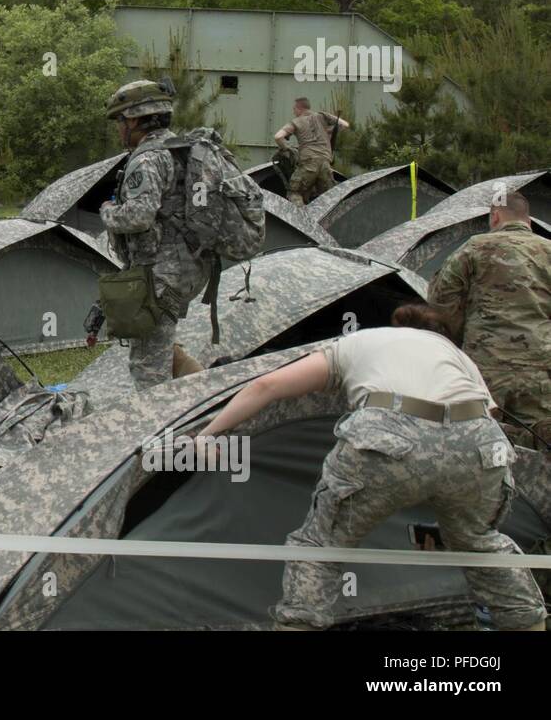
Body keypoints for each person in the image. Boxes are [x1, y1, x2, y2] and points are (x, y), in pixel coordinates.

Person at [196, 303, 547, 631]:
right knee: (480, 543)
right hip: (480, 442)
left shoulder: (355, 341)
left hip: (387, 435)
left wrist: (209, 434)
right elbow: (491, 413)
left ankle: (297, 625)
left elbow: (266, 385)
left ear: (395, 325)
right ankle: (530, 625)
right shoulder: (453, 353)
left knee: (321, 547)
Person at [100, 80, 213, 390]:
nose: (119, 129)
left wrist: (108, 211)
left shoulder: (148, 158)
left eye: (121, 121)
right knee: (165, 349)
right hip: (188, 266)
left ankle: (161, 436)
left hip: (161, 275)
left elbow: (138, 216)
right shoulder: (182, 148)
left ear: (135, 119)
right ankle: (213, 399)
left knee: (149, 371)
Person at [428, 189, 551, 447]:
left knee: (479, 442)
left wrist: (461, 337)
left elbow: (441, 301)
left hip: (484, 369)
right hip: (540, 370)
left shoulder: (474, 248)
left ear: (495, 218)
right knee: (541, 445)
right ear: (528, 221)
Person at [273, 97, 350, 206]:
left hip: (308, 164)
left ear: (299, 108)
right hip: (325, 163)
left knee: (294, 193)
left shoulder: (295, 122)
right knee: (329, 197)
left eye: (294, 109)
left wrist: (287, 149)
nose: (293, 111)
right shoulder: (322, 115)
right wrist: (329, 132)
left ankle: (300, 220)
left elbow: (278, 137)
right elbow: (345, 124)